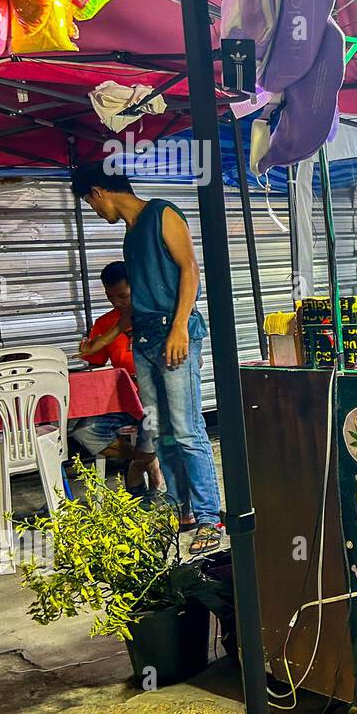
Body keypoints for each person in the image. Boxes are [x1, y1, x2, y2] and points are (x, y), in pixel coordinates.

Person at [70, 166, 225, 555]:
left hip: (174, 337)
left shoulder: (162, 213)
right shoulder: (130, 233)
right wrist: (98, 342)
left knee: (189, 430)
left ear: (99, 191)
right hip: (144, 341)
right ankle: (180, 509)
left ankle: (210, 518)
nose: (94, 211)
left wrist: (180, 328)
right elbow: (129, 311)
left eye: (90, 203)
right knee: (163, 432)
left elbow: (190, 269)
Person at [69, 260, 161, 492]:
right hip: (124, 401)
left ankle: (141, 469)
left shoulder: (157, 317)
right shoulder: (104, 324)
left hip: (156, 398)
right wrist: (87, 349)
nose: (117, 302)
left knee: (154, 430)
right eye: (111, 297)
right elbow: (95, 366)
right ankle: (145, 461)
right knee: (84, 430)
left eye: (123, 296)